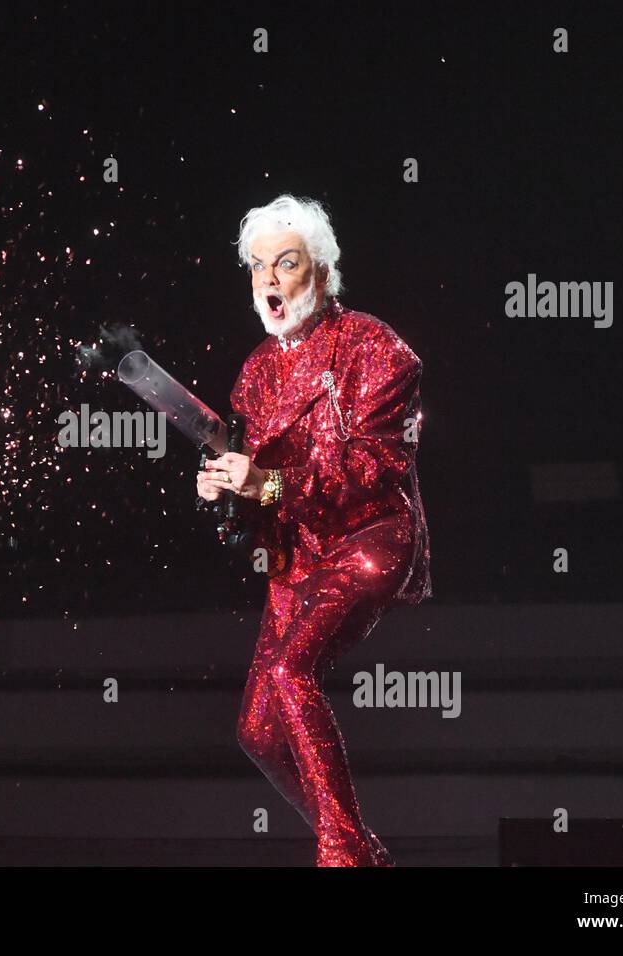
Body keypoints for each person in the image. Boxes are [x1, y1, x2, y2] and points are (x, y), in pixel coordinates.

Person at [197, 194, 431, 866]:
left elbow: (369, 469)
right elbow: (252, 495)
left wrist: (265, 483)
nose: (268, 280)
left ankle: (344, 857)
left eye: (286, 264)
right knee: (255, 729)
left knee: (290, 670)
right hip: (296, 557)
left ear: (322, 274)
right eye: (257, 267)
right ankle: (367, 850)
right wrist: (224, 489)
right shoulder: (254, 374)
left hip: (369, 539)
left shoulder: (381, 352)